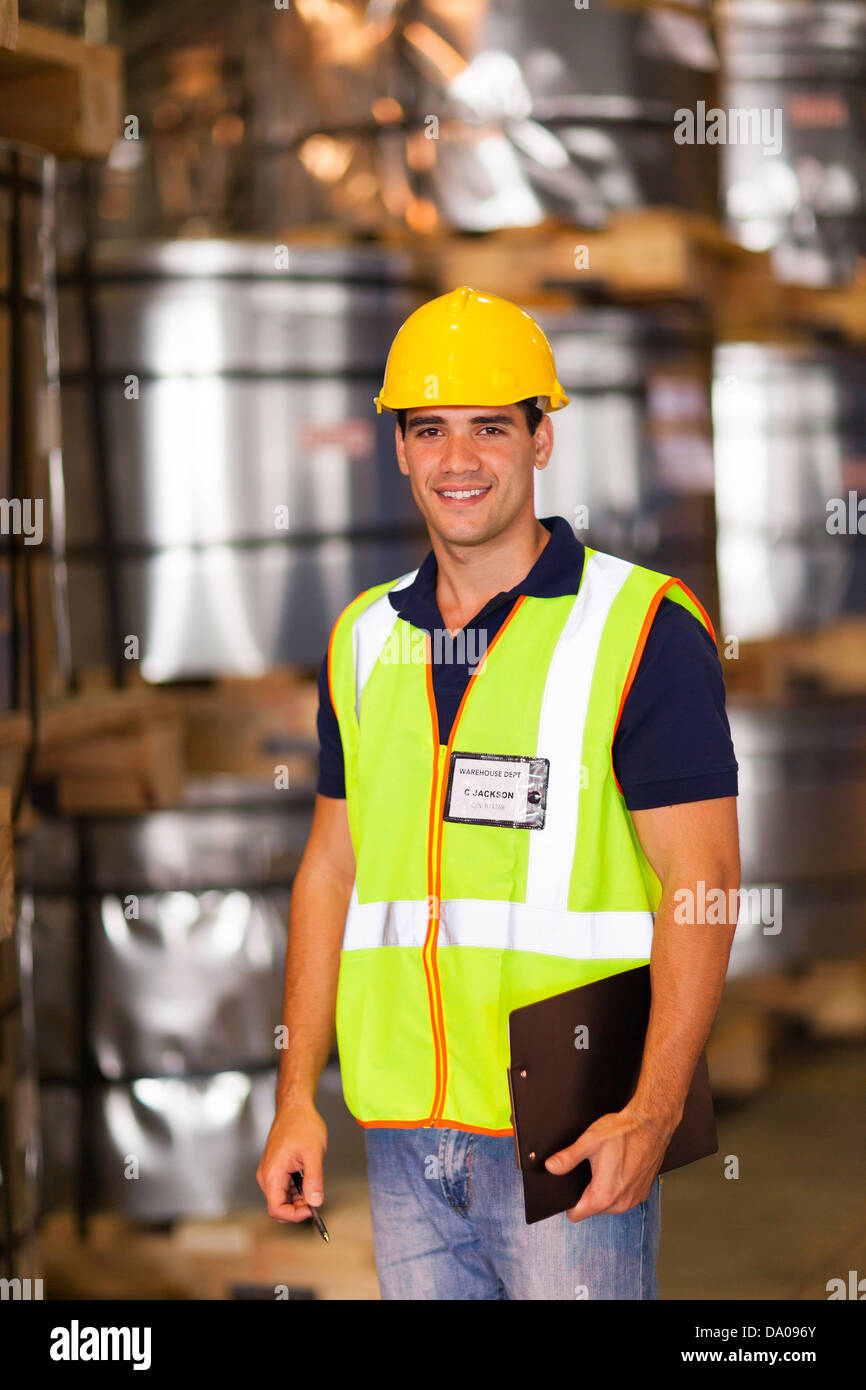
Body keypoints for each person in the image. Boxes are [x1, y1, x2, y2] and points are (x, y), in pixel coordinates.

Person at [257, 286, 740, 1300]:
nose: (458, 461)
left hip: (568, 1133)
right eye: (429, 430)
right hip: (403, 1135)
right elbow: (329, 870)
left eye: (489, 427)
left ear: (540, 437)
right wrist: (295, 1093)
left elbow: (701, 880)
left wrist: (651, 1110)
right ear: (397, 448)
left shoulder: (640, 627)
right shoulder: (361, 640)